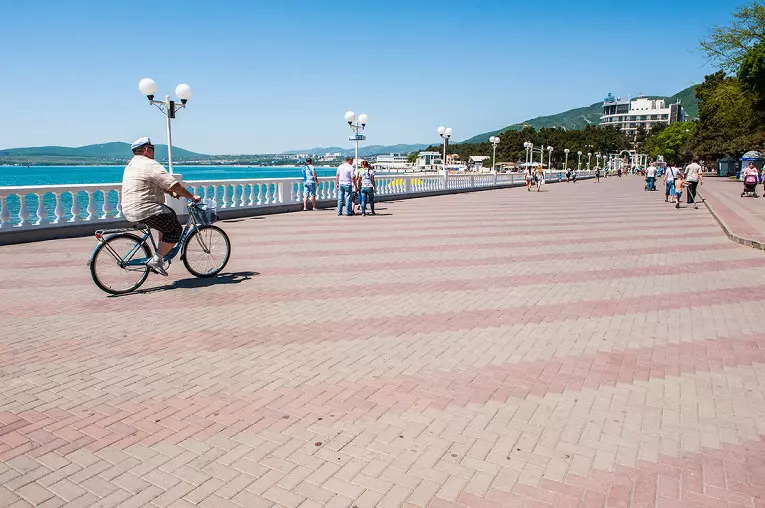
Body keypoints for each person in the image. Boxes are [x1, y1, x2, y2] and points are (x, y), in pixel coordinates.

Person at [121, 137, 200, 276]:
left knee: (168, 214)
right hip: (145, 209)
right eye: (152, 149)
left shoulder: (132, 165)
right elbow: (172, 183)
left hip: (130, 208)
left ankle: (161, 251)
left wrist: (170, 192)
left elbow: (150, 184)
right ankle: (157, 260)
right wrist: (191, 196)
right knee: (175, 229)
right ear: (146, 150)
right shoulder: (149, 164)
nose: (153, 152)